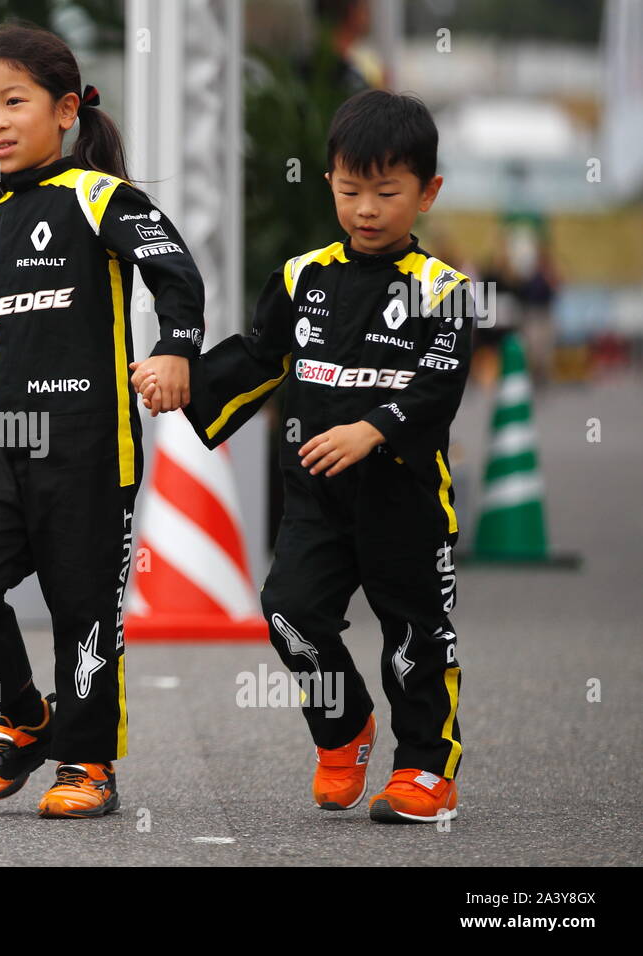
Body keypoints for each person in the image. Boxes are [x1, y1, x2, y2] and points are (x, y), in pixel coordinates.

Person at [137, 89, 472, 823]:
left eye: (387, 192)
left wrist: (373, 428)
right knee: (288, 612)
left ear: (427, 193)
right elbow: (259, 356)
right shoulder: (301, 277)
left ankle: (424, 769)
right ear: (329, 183)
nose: (367, 209)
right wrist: (183, 375)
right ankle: (344, 729)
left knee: (417, 634)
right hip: (317, 500)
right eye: (351, 190)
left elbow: (439, 384)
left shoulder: (444, 291)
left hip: (406, 498)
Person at [0, 20, 205, 819]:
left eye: (14, 101)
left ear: (65, 108)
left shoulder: (101, 198)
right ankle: (23, 715)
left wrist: (177, 349)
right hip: (3, 447)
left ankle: (86, 761)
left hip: (89, 449)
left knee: (84, 614)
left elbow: (176, 276)